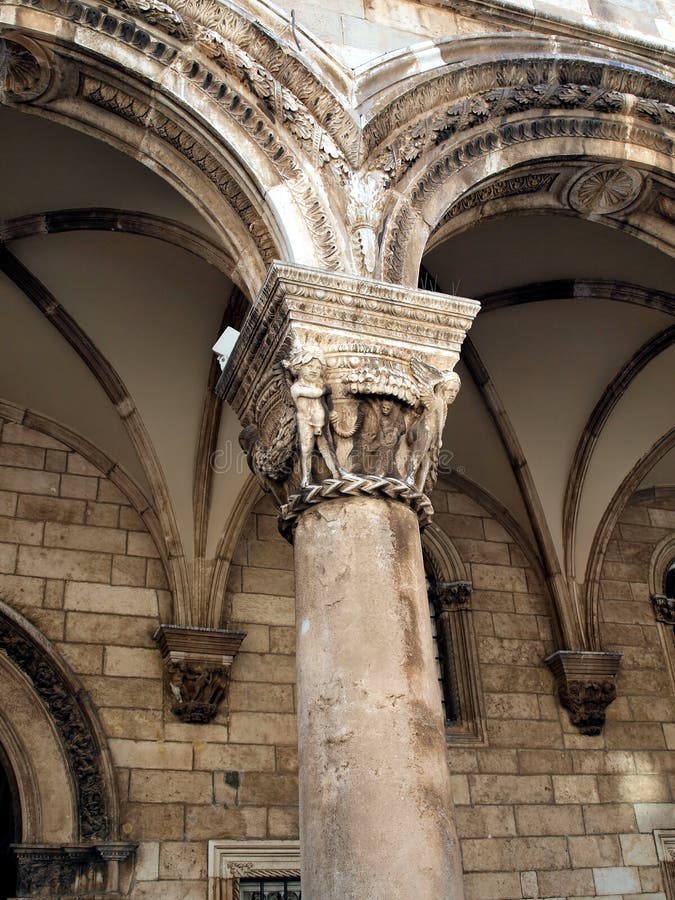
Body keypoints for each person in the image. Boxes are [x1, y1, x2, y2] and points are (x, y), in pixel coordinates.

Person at [287, 346, 341, 487]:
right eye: (310, 366)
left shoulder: (320, 384)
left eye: (318, 367)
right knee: (306, 449)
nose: (314, 370)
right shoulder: (296, 388)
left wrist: (332, 411)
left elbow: (326, 402)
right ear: (299, 367)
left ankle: (336, 472)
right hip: (305, 422)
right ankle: (306, 476)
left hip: (322, 422)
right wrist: (325, 390)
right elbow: (315, 394)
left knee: (326, 447)